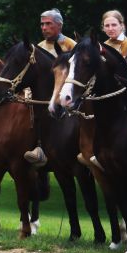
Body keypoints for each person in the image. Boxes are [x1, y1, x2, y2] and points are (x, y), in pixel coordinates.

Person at [23, 9, 77, 166]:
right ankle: (36, 148)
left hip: (65, 93)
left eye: (48, 24)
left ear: (59, 25)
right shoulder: (39, 47)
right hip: (42, 94)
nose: (44, 27)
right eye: (42, 24)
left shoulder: (71, 45)